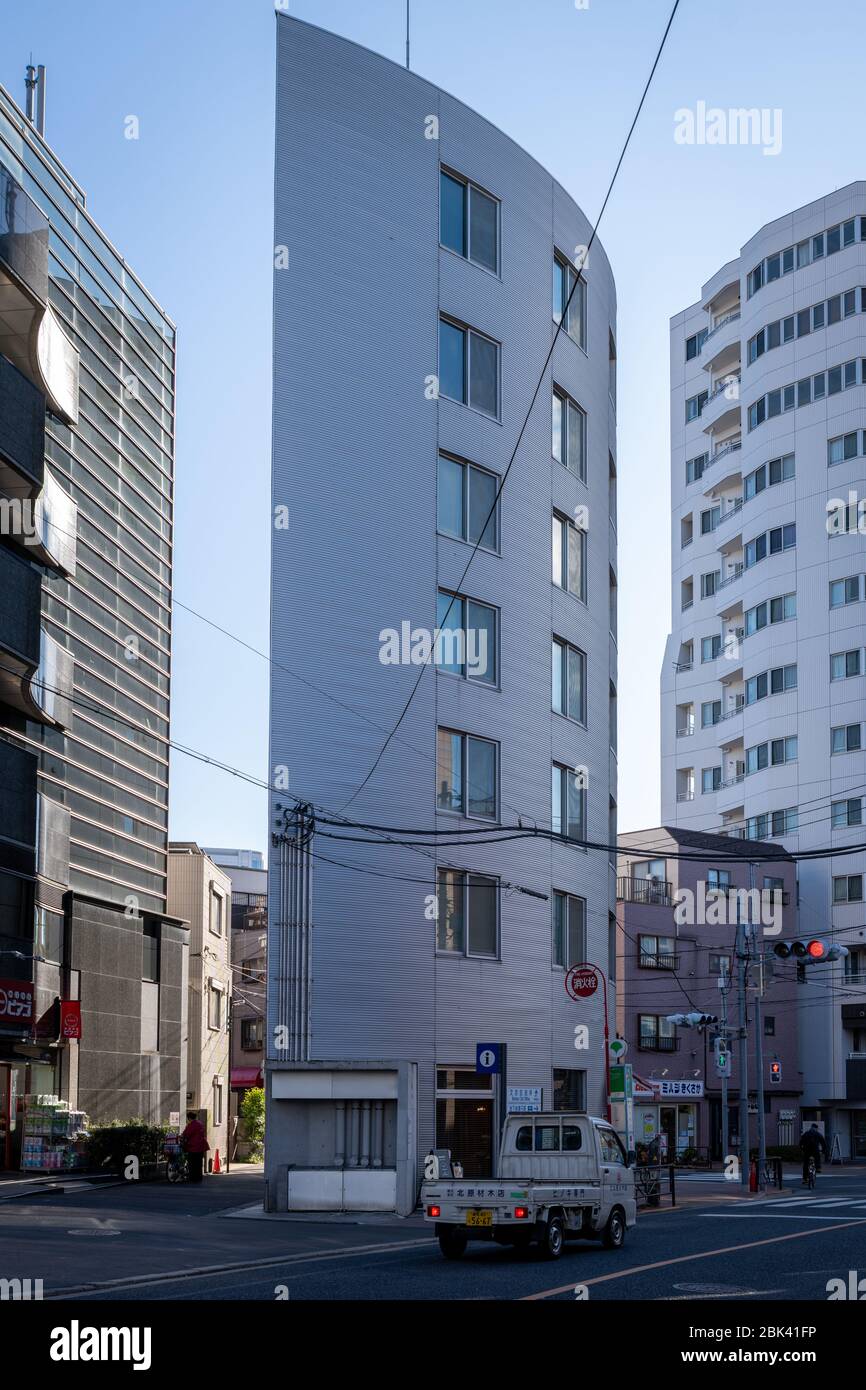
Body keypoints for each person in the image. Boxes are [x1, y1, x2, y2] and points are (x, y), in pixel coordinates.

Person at [181, 1111, 209, 1183]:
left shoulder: (191, 1125)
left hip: (193, 1147)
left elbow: (186, 1134)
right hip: (201, 1146)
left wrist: (182, 1137)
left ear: (189, 1118)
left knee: (192, 1163)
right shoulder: (200, 1124)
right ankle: (199, 1177)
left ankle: (193, 1177)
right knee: (199, 1163)